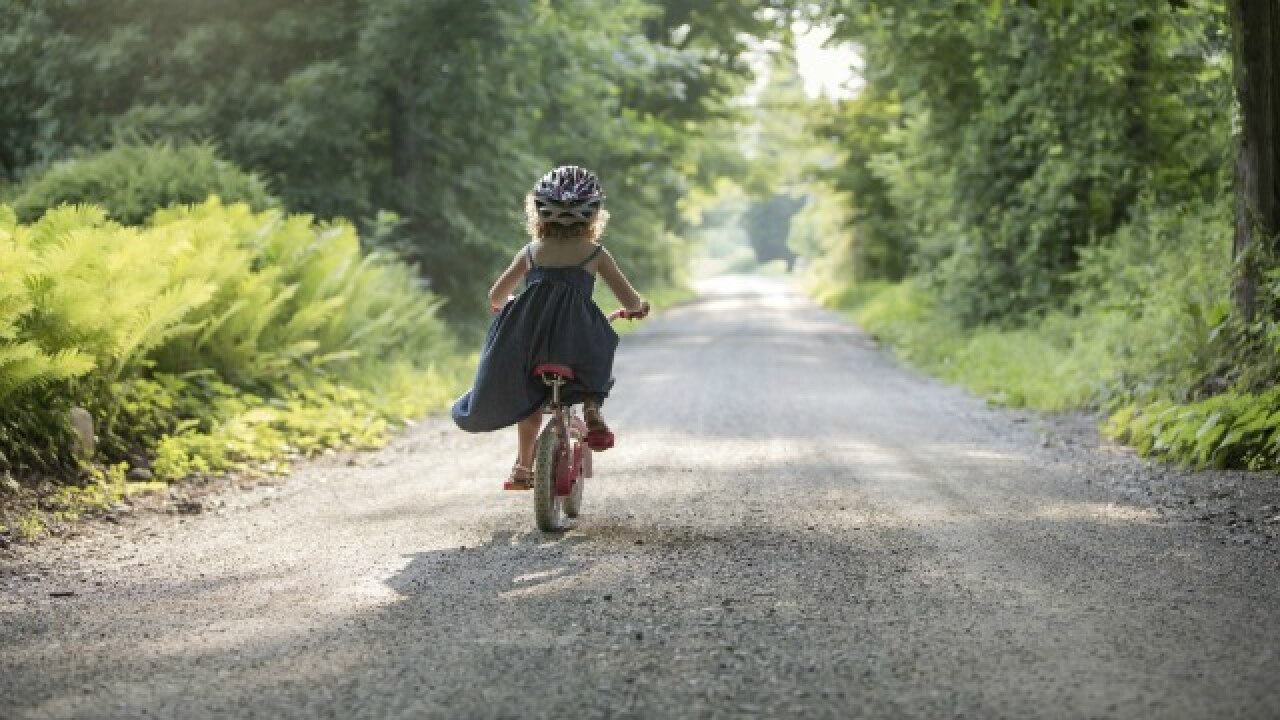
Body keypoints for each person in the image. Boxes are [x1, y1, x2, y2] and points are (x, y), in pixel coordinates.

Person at [450, 165, 650, 490]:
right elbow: (628, 298)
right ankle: (591, 407)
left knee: (529, 400)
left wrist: (510, 303)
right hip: (575, 341)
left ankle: (522, 467)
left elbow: (496, 296)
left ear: (538, 213)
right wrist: (637, 307)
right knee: (596, 354)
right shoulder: (595, 254)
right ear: (594, 216)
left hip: (530, 343)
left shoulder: (531, 252)